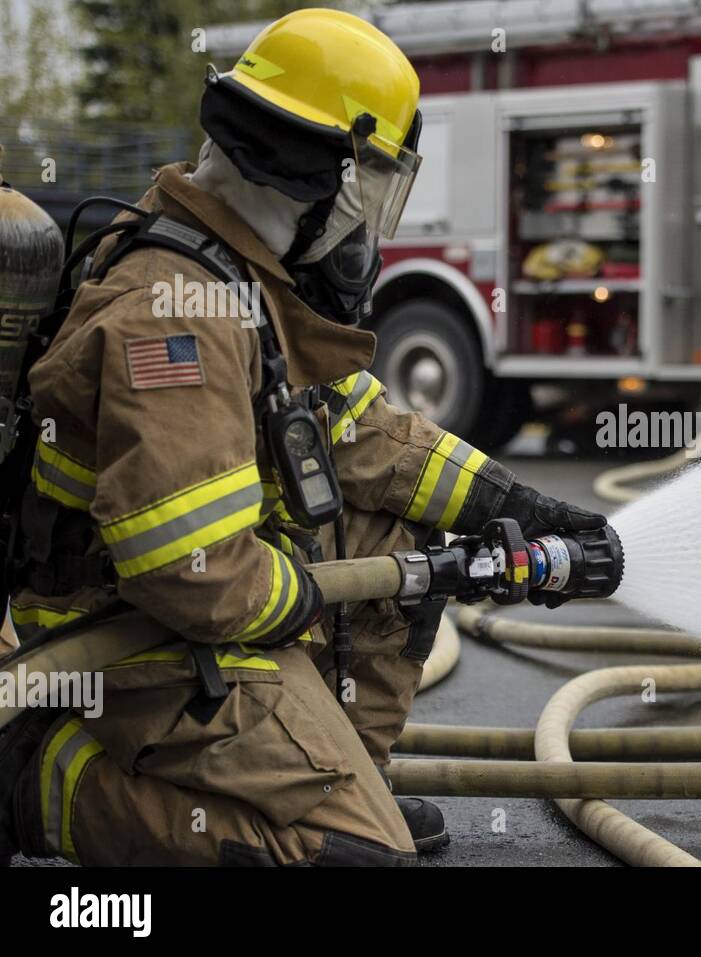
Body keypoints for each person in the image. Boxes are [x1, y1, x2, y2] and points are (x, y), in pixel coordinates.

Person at [0, 8, 604, 866]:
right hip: (133, 645)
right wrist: (338, 587)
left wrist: (523, 508)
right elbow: (192, 574)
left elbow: (364, 433)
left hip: (208, 615)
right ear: (326, 173)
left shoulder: (242, 275)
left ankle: (341, 771)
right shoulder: (178, 315)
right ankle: (39, 779)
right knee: (351, 856)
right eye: (373, 186)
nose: (366, 226)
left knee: (399, 517)